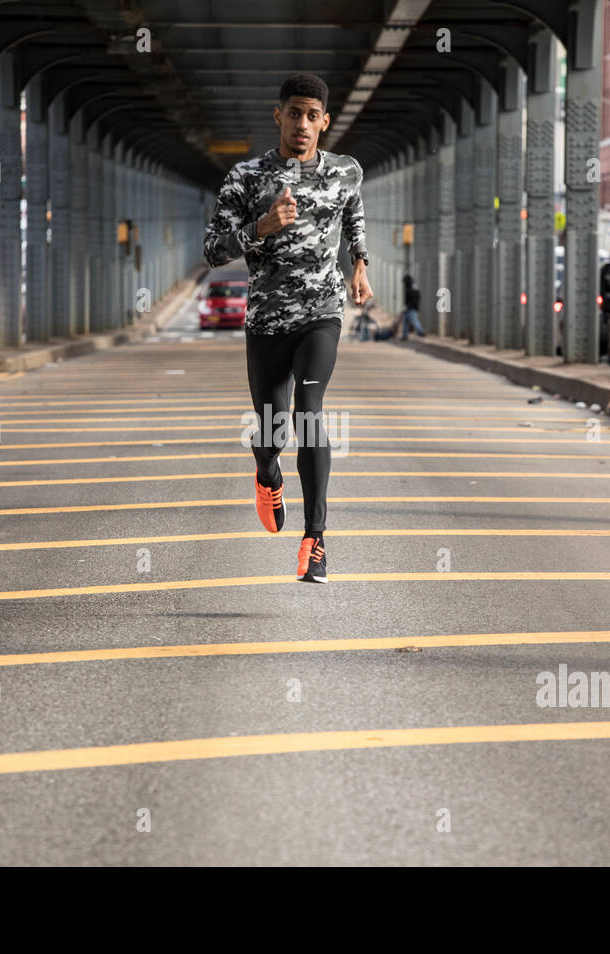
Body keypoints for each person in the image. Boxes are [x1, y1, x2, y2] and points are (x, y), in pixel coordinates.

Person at [203, 72, 372, 583]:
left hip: (321, 313)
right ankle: (266, 471)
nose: (302, 124)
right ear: (278, 116)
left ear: (325, 121)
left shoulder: (346, 171)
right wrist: (261, 227)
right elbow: (212, 251)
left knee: (311, 411)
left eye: (311, 115)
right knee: (272, 430)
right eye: (293, 113)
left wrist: (360, 262)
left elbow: (353, 216)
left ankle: (315, 540)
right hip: (267, 321)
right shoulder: (247, 177)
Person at [399, 274, 424, 340]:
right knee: (405, 321)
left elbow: (414, 299)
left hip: (412, 308)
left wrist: (408, 306)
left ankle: (421, 332)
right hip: (409, 308)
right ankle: (405, 335)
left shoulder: (412, 288)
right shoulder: (410, 287)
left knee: (414, 320)